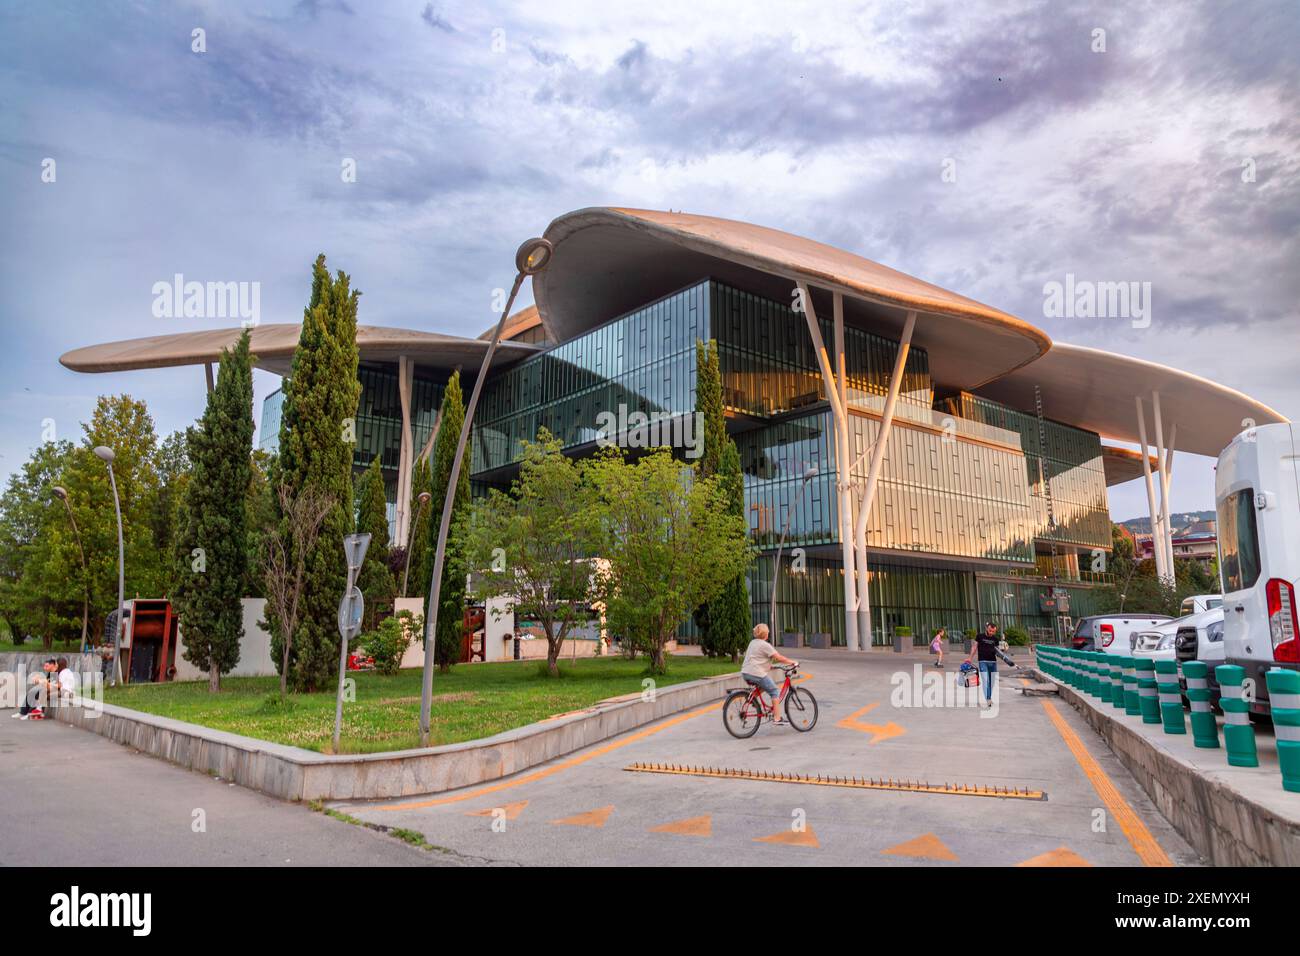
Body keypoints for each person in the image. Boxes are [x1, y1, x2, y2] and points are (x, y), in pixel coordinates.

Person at [741, 623, 797, 725]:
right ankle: (777, 718)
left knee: (764, 686)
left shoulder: (752, 643)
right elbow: (779, 657)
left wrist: (770, 666)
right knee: (774, 691)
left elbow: (756, 658)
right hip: (756, 673)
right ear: (766, 634)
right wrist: (792, 662)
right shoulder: (765, 645)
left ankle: (751, 699)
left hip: (745, 672)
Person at [972, 620, 1018, 706]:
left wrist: (1005, 656)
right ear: (986, 628)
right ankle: (988, 699)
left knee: (992, 683)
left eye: (993, 631)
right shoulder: (979, 636)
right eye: (990, 630)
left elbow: (997, 652)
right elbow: (974, 647)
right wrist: (969, 658)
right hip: (983, 662)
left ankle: (989, 697)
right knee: (986, 681)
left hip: (993, 663)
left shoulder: (995, 639)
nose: (991, 632)